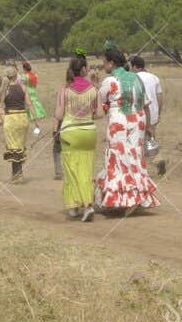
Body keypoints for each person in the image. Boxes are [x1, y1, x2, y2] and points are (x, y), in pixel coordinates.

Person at [95, 45, 160, 214]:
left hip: (119, 122)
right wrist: (149, 128)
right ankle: (136, 197)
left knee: (118, 159)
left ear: (111, 63)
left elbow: (99, 101)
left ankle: (124, 200)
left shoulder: (109, 81)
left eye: (104, 62)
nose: (103, 65)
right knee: (135, 158)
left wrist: (94, 84)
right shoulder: (136, 78)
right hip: (138, 120)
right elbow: (146, 104)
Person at [55, 56, 98, 220]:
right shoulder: (94, 89)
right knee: (86, 170)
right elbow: (99, 113)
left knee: (71, 170)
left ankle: (76, 206)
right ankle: (86, 204)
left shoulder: (65, 88)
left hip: (70, 132)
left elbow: (59, 114)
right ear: (85, 69)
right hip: (89, 133)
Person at [130, 55, 165, 175]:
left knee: (137, 140)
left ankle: (141, 168)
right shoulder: (154, 77)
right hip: (153, 113)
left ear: (134, 66)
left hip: (139, 113)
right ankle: (158, 158)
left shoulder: (132, 78)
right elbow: (160, 97)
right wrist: (158, 113)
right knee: (151, 139)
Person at [1, 69, 30, 183]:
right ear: (16, 76)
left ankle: (16, 175)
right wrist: (36, 121)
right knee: (20, 146)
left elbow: (0, 102)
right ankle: (19, 174)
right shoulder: (23, 87)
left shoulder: (5, 89)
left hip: (10, 118)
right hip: (22, 118)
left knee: (13, 147)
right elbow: (29, 104)